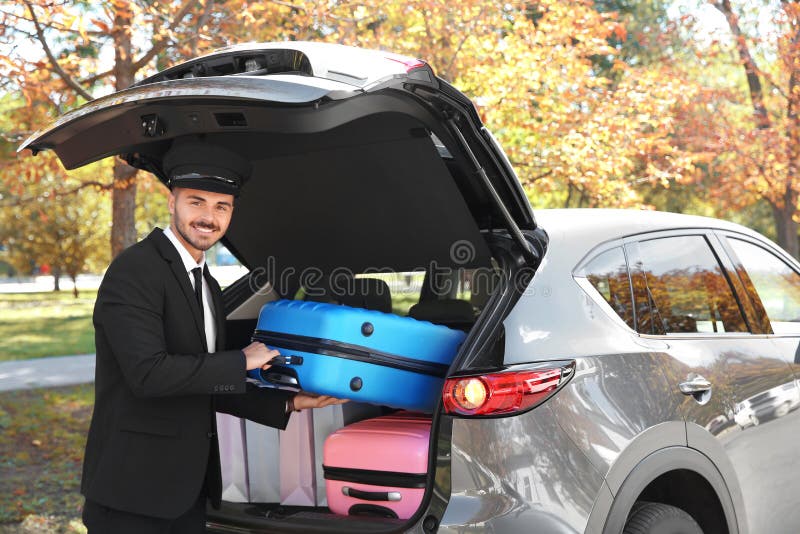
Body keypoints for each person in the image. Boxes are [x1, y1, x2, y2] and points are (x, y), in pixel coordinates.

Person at [81, 138, 345, 533]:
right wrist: (241, 361)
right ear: (172, 202)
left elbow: (206, 381)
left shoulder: (207, 282)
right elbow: (148, 375)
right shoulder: (135, 270)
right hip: (132, 494)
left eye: (222, 206)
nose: (209, 217)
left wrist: (289, 403)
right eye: (197, 202)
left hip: (187, 492)